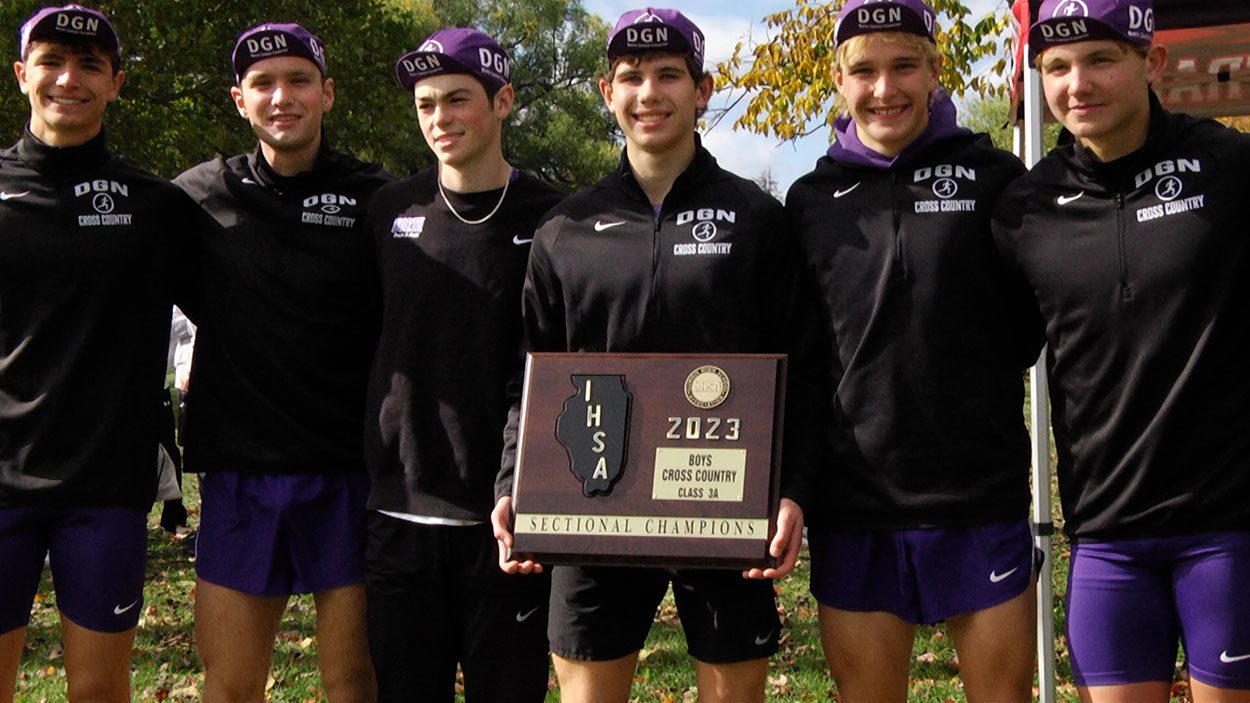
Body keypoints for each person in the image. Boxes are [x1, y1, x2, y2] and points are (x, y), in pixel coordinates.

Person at [490, 8, 813, 702]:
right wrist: (511, 482)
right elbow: (534, 373)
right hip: (593, 503)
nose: (649, 93)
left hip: (724, 500)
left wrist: (793, 486)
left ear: (703, 89)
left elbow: (800, 362)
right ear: (607, 92)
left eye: (669, 75)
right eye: (632, 77)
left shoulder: (758, 220)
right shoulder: (565, 228)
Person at [993, 0, 1250, 700]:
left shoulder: (1228, 167)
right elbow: (991, 355)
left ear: (1152, 61)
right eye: (1058, 66)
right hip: (1105, 538)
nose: (1078, 83)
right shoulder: (1026, 209)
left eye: (1102, 59)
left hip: (1226, 533)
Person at [784, 1, 1041, 700]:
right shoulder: (809, 200)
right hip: (855, 506)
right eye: (863, 70)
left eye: (904, 65)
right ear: (839, 81)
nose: (884, 87)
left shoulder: (995, 179)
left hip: (977, 499)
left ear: (935, 71)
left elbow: (1030, 328)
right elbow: (804, 366)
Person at [174, 22, 390, 703]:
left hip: (349, 476)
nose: (282, 97)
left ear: (327, 93)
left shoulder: (378, 198)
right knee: (232, 685)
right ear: (240, 99)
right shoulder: (193, 199)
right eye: (263, 84)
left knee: (353, 683)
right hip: (240, 477)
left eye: (299, 80)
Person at [0, 4, 195, 701]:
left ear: (116, 84)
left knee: (99, 690)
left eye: (90, 65)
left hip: (106, 495)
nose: (68, 79)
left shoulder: (158, 206)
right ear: (23, 75)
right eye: (51, 61)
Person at [362, 28, 562, 703]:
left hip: (509, 522)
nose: (439, 118)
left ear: (503, 100)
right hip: (403, 512)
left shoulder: (553, 219)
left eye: (457, 99)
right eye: (425, 105)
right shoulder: (390, 212)